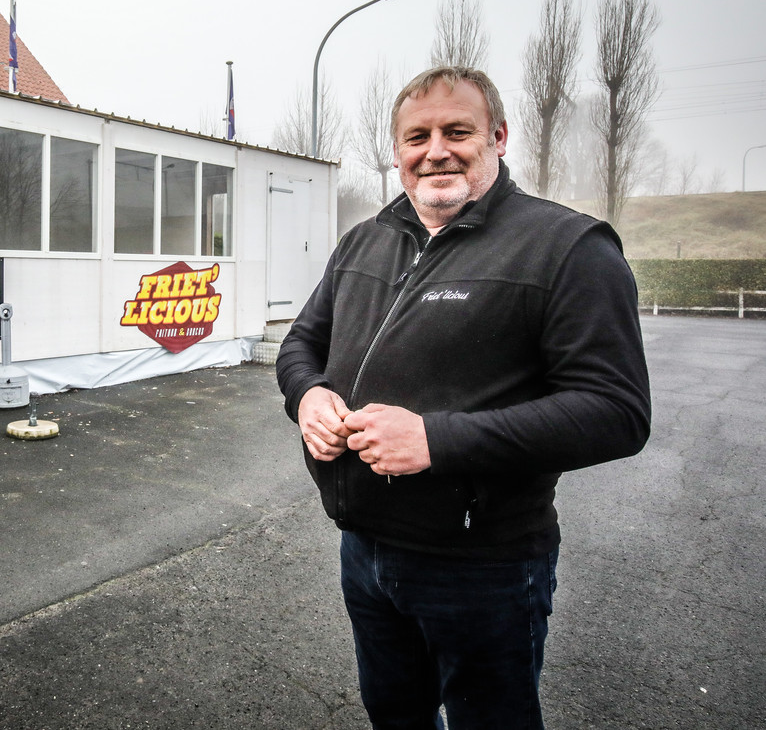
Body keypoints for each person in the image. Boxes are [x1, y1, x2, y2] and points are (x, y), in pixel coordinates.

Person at [275, 65, 650, 729]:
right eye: (417, 136)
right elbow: (301, 345)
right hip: (363, 550)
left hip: (483, 569)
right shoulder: (365, 240)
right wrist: (309, 398)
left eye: (458, 130)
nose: (436, 149)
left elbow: (615, 411)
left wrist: (436, 440)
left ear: (498, 137)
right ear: (397, 153)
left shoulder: (567, 248)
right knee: (394, 713)